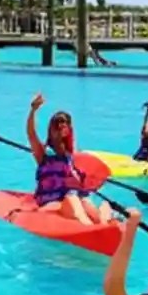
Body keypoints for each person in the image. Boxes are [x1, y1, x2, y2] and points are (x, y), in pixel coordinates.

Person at [26, 93, 111, 226]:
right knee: (73, 200)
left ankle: (104, 215)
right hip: (51, 200)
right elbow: (31, 134)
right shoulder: (43, 153)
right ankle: (89, 227)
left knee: (88, 206)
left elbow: (80, 180)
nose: (59, 131)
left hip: (74, 196)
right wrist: (33, 110)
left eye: (63, 127)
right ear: (51, 129)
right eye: (57, 127)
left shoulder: (70, 154)